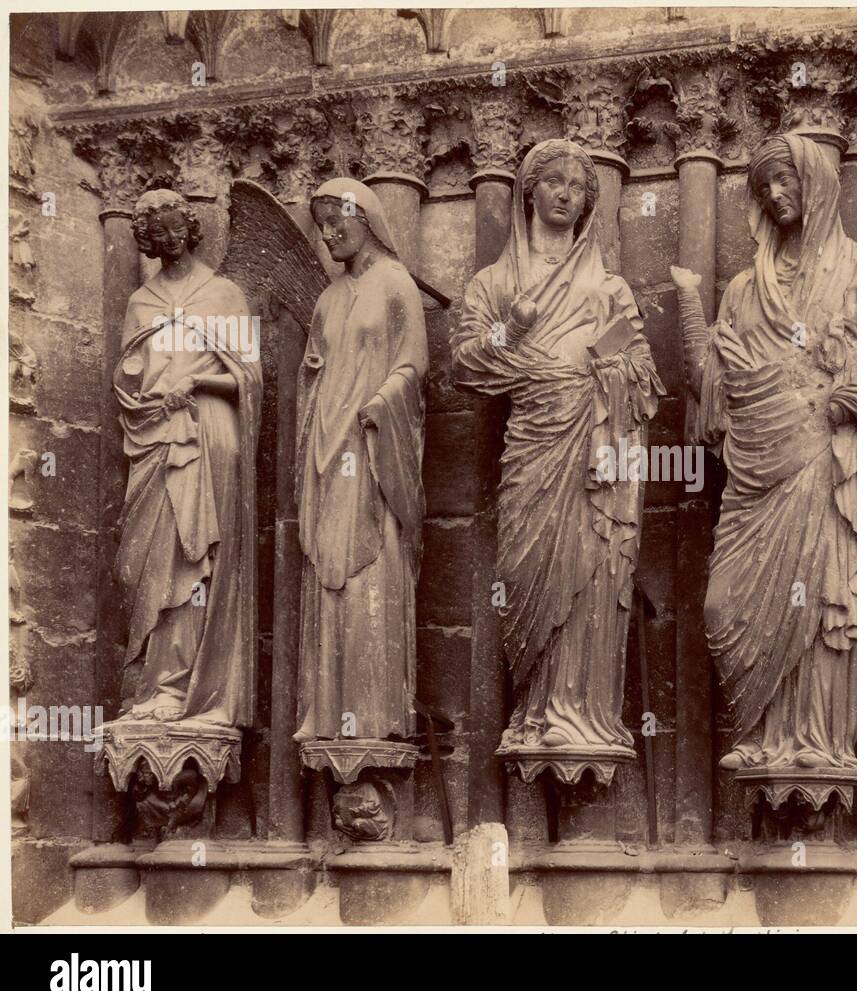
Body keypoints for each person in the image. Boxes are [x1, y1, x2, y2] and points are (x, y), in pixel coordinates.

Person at [675, 132, 857, 771]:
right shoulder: (743, 292)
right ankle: (759, 729)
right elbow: (715, 393)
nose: (777, 194)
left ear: (818, 183)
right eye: (765, 186)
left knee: (821, 595)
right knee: (724, 605)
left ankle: (816, 742)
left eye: (788, 180)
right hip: (756, 470)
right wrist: (695, 330)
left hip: (823, 458)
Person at [453, 139, 663, 752]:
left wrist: (608, 372)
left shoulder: (609, 289)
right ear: (528, 190)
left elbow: (647, 379)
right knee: (526, 569)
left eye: (577, 186)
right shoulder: (494, 282)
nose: (565, 193)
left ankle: (584, 714)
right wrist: (510, 328)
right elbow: (465, 364)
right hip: (533, 451)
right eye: (553, 181)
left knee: (594, 568)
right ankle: (536, 711)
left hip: (597, 448)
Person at [114, 189, 262, 725]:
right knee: (147, 558)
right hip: (154, 437)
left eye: (177, 227)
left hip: (206, 434)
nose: (169, 238)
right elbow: (127, 377)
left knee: (192, 555)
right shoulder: (140, 302)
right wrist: (147, 391)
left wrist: (196, 379)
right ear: (147, 242)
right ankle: (150, 683)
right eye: (157, 233)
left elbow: (249, 377)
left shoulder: (224, 293)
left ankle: (184, 686)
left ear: (192, 229)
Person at [294, 178, 427, 742]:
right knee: (329, 581)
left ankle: (376, 714)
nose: (328, 234)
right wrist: (317, 408)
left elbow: (415, 364)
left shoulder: (396, 284)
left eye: (337, 221)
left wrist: (382, 403)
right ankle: (326, 713)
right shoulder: (327, 298)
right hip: (329, 448)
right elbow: (311, 372)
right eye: (321, 225)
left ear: (367, 219)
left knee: (373, 572)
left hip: (374, 448)